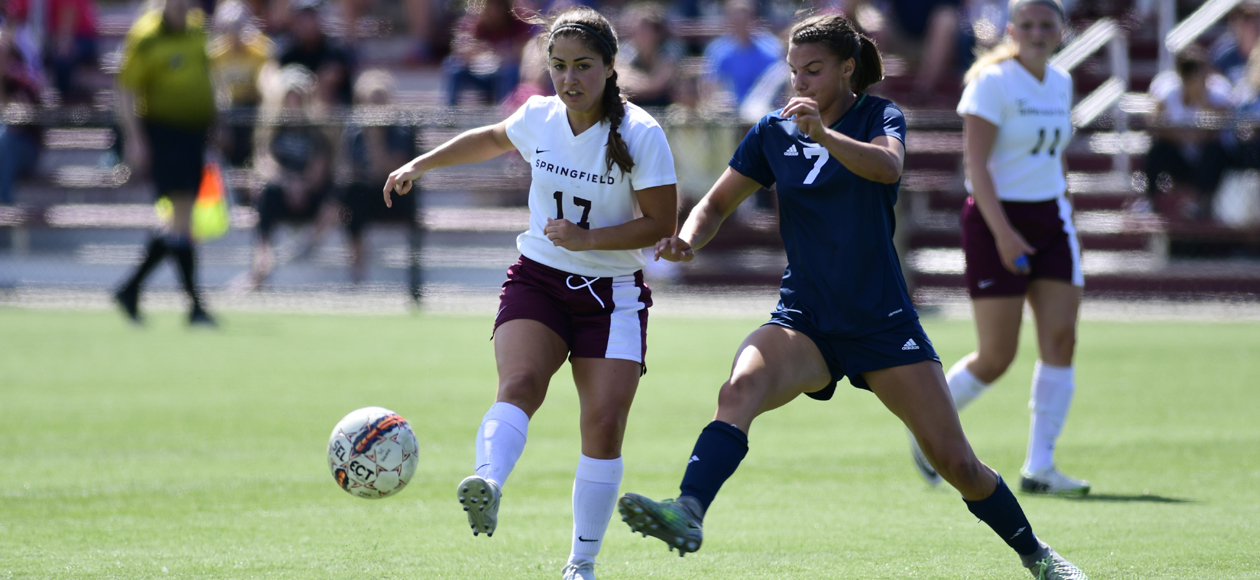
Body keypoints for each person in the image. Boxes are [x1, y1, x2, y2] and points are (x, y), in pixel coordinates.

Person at [615, 11, 1088, 580]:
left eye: (813, 70)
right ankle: (688, 509)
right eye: (794, 70)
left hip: (880, 320)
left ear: (846, 68)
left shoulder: (878, 116)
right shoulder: (773, 131)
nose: (800, 82)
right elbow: (715, 204)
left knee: (957, 462)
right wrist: (688, 239)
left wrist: (824, 134)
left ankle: (1037, 555)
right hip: (805, 319)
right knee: (739, 388)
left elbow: (888, 168)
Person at [383, 7, 677, 580]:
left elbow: (661, 224)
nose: (569, 78)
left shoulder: (642, 132)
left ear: (610, 67)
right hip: (538, 279)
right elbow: (492, 138)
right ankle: (488, 481)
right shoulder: (540, 116)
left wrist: (588, 238)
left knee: (604, 425)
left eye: (583, 66)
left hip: (612, 293)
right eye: (559, 66)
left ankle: (581, 564)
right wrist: (421, 163)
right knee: (519, 383)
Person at [903, 0, 1090, 498]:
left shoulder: (1061, 81)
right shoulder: (991, 82)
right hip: (994, 221)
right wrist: (1005, 234)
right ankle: (926, 432)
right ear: (1011, 30)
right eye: (1027, 24)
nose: (1037, 32)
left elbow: (1055, 157)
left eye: (1046, 24)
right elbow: (976, 167)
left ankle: (1041, 466)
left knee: (1061, 340)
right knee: (996, 356)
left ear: (1061, 31)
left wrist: (1068, 213)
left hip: (1051, 221)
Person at [113, 0, 216, 326]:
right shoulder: (145, 35)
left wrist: (217, 120)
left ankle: (131, 289)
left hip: (194, 136)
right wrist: (135, 139)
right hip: (164, 133)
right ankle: (195, 305)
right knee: (182, 216)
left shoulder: (197, 27)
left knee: (178, 223)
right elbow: (126, 89)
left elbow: (206, 74)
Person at [246, 64, 335, 288]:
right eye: (290, 96)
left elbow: (320, 167)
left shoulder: (317, 129)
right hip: (282, 190)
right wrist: (289, 183)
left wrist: (302, 185)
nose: (294, 101)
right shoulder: (273, 127)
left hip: (310, 193)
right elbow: (265, 162)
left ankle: (306, 245)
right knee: (264, 191)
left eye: (298, 96)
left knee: (337, 196)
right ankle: (262, 259)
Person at [337, 69, 416, 283]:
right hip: (364, 196)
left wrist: (374, 138)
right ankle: (356, 265)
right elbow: (347, 168)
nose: (376, 106)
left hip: (396, 197)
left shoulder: (400, 130)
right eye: (371, 101)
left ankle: (316, 235)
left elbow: (390, 173)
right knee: (348, 193)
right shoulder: (354, 130)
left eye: (380, 100)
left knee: (350, 195)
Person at [1140, 46, 1232, 220]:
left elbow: (1219, 126)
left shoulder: (1219, 88)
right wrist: (1184, 136)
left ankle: (1201, 202)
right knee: (1157, 151)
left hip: (1205, 159)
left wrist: (1201, 99)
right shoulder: (1167, 88)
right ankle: (1150, 201)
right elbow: (1153, 122)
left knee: (1215, 151)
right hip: (1179, 155)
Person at [209, 0, 272, 168]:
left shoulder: (261, 51)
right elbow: (215, 90)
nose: (235, 33)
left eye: (239, 27)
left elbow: (266, 88)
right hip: (227, 110)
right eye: (230, 28)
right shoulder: (215, 54)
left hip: (254, 107)